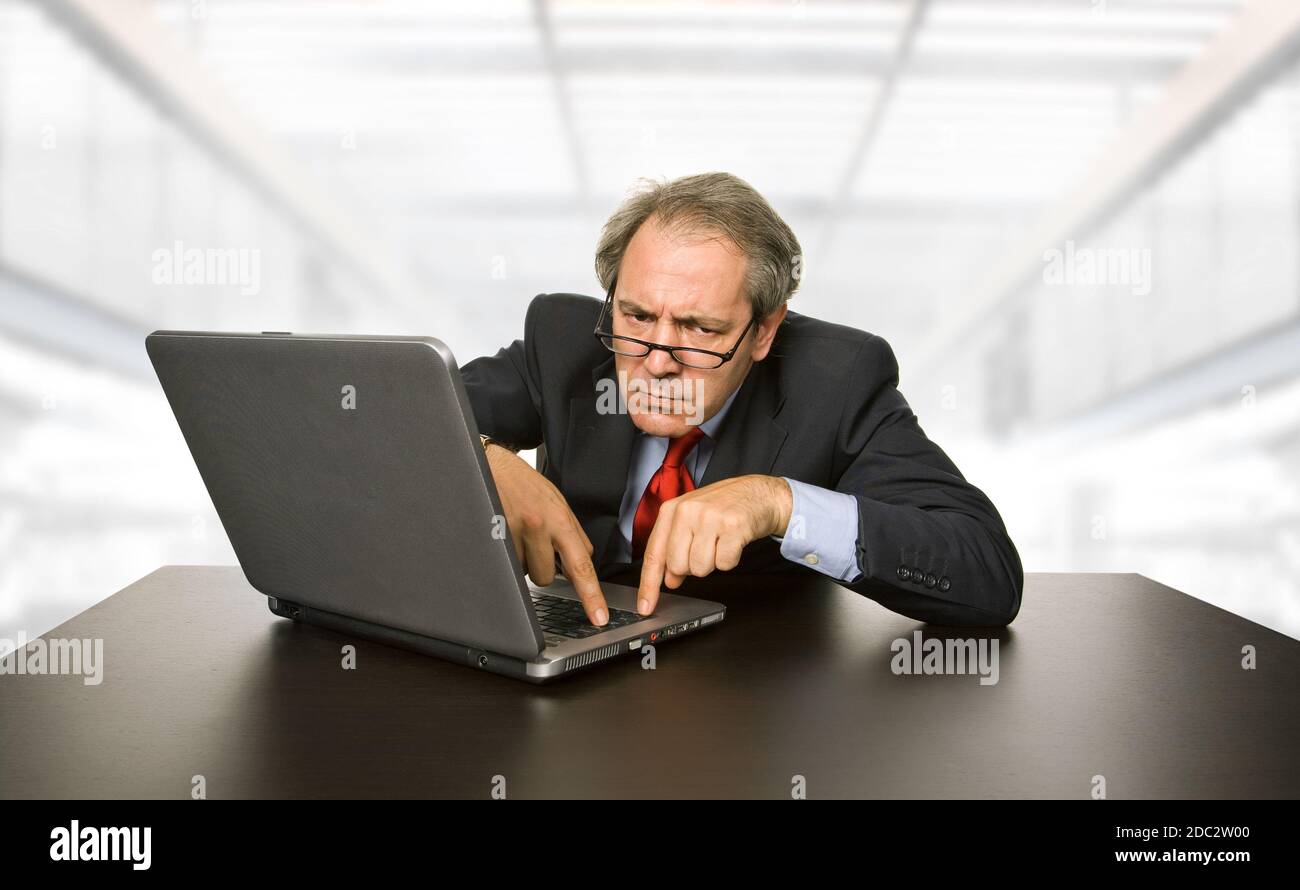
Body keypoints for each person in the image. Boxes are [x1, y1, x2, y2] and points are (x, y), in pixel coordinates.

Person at [461, 171, 1023, 629]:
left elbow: (987, 570)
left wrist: (778, 503)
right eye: (635, 316)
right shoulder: (561, 339)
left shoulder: (836, 382)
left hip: (751, 706)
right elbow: (392, 423)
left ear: (763, 332)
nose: (658, 361)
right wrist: (481, 460)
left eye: (699, 328)